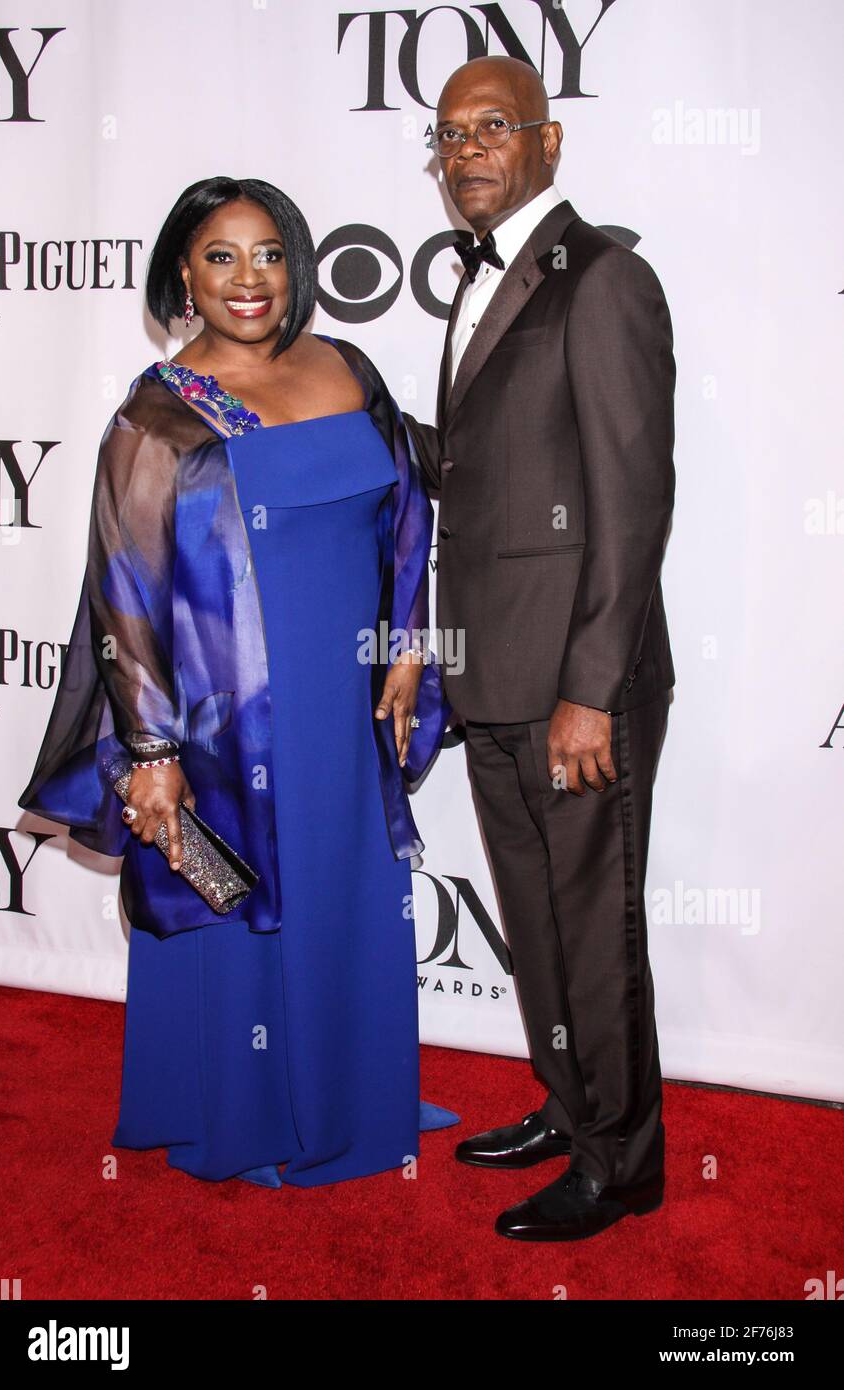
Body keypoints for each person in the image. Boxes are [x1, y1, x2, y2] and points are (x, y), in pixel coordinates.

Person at [19, 176, 457, 1189]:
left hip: (344, 708)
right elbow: (125, 599)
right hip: (231, 722)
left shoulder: (347, 364)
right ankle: (245, 1108)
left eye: (267, 254)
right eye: (221, 256)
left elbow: (406, 511)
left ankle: (353, 1094)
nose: (248, 279)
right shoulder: (158, 417)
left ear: (296, 265)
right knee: (246, 892)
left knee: (345, 885)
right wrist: (154, 756)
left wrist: (406, 646)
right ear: (185, 271)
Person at [403, 56, 676, 1240]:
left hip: (573, 684)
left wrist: (588, 689)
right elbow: (476, 481)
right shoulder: (477, 288)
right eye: (448, 134)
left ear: (547, 143)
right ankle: (568, 1108)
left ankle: (622, 1165)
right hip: (489, 674)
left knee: (589, 922)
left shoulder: (602, 279)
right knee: (537, 918)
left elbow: (632, 502)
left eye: (490, 127)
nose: (466, 150)